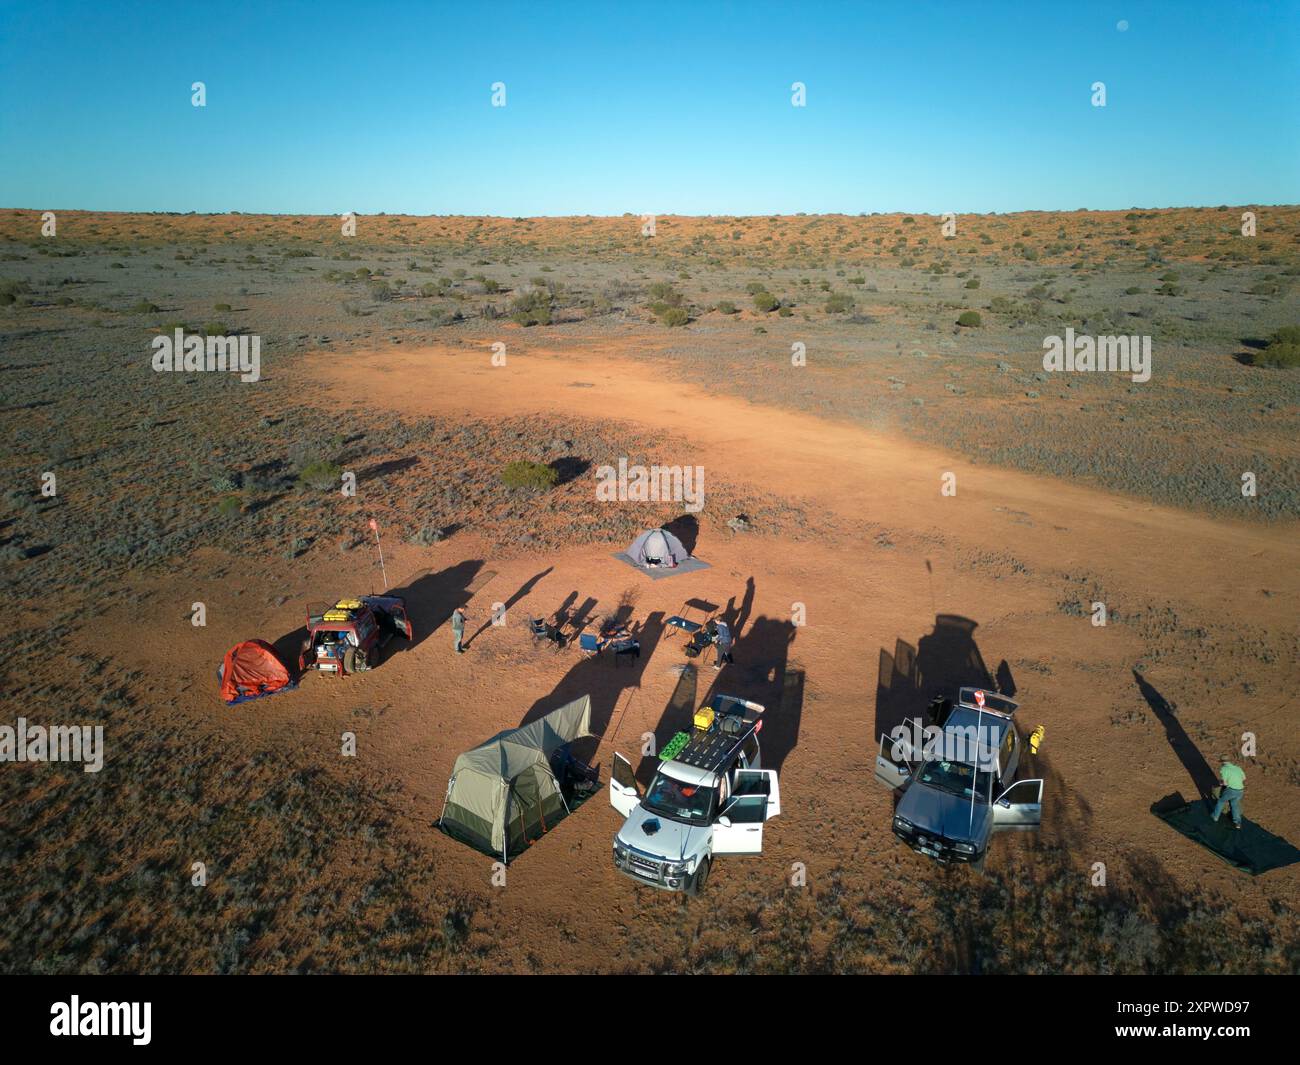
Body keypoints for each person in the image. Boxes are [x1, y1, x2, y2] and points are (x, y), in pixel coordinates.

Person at [1211, 759, 1246, 829]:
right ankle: (1237, 823)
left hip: (1231, 790)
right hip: (1240, 791)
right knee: (1234, 805)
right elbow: (1244, 778)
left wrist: (1221, 783)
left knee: (1221, 801)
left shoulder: (1224, 769)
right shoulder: (1238, 768)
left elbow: (1225, 783)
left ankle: (1215, 816)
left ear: (1223, 762)